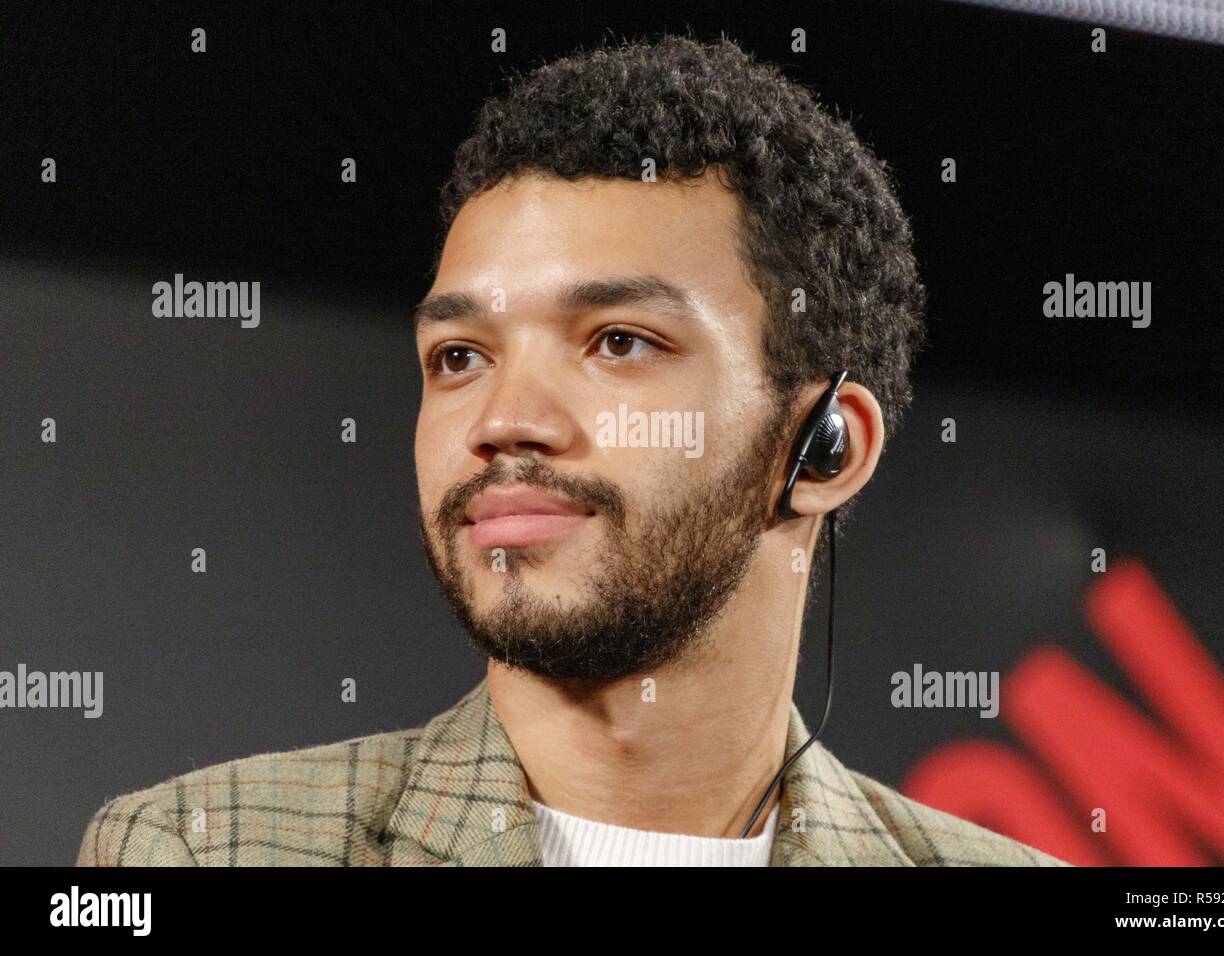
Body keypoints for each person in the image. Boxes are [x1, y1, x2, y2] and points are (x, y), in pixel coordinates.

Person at [77, 34, 1068, 867]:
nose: (502, 418)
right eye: (459, 355)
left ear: (823, 449)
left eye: (617, 341)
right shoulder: (201, 848)